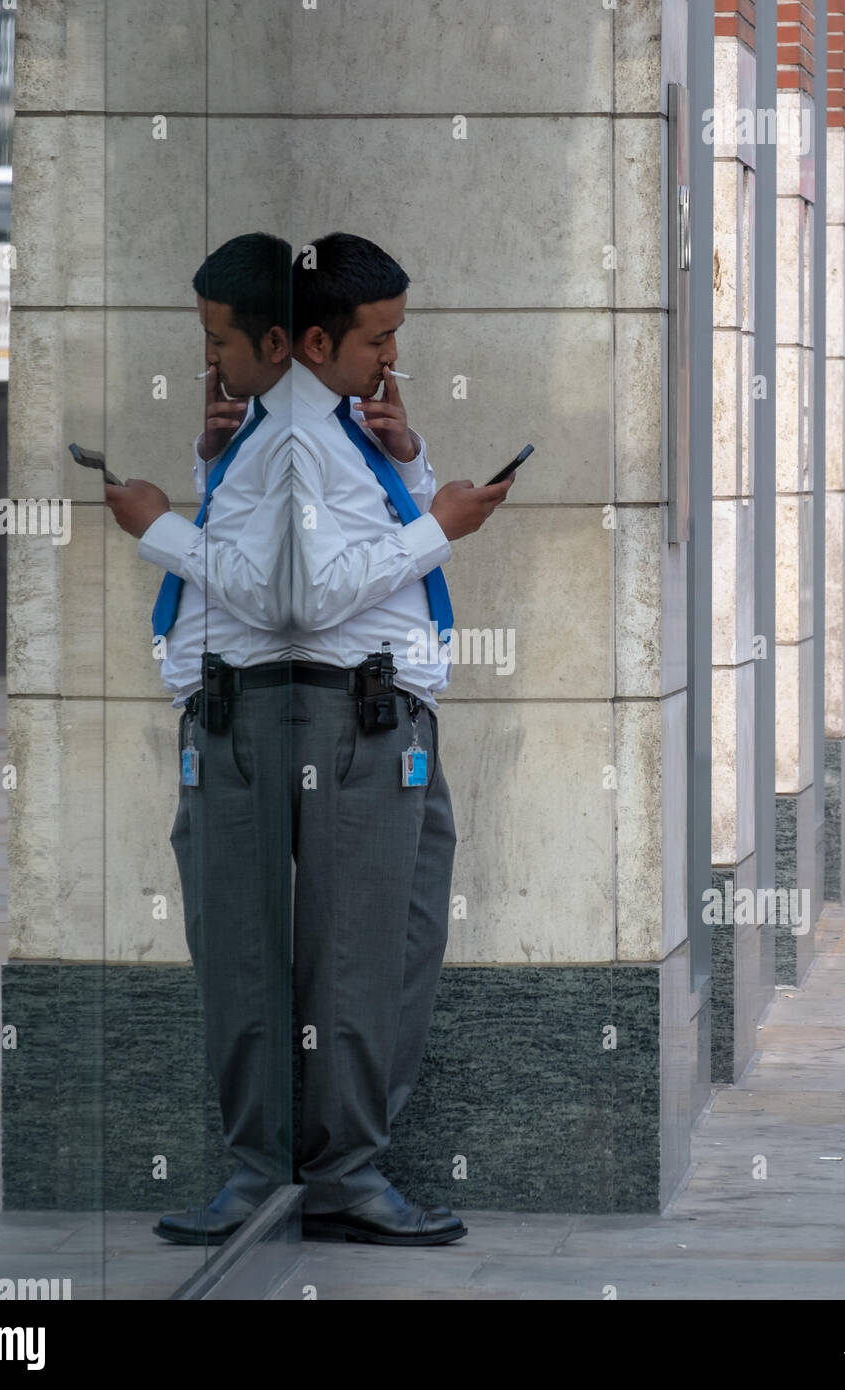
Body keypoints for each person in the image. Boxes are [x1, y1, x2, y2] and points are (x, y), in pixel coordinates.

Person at [288, 232, 514, 1244]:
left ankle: (354, 1161)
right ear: (313, 339)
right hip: (351, 719)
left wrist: (413, 465)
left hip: (403, 717)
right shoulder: (286, 444)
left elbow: (392, 544)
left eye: (399, 337)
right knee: (361, 958)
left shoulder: (349, 427)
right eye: (378, 340)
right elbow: (313, 592)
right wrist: (441, 527)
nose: (392, 360)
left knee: (406, 948)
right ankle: (341, 1174)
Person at [104, 232, 294, 1245]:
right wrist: (208, 466)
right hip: (222, 717)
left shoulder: (296, 433)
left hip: (251, 718)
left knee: (242, 955)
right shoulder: (257, 425)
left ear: (272, 339)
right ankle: (268, 1166)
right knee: (237, 952)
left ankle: (263, 1169)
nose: (208, 363)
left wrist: (156, 527)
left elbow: (275, 590)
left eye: (218, 342)